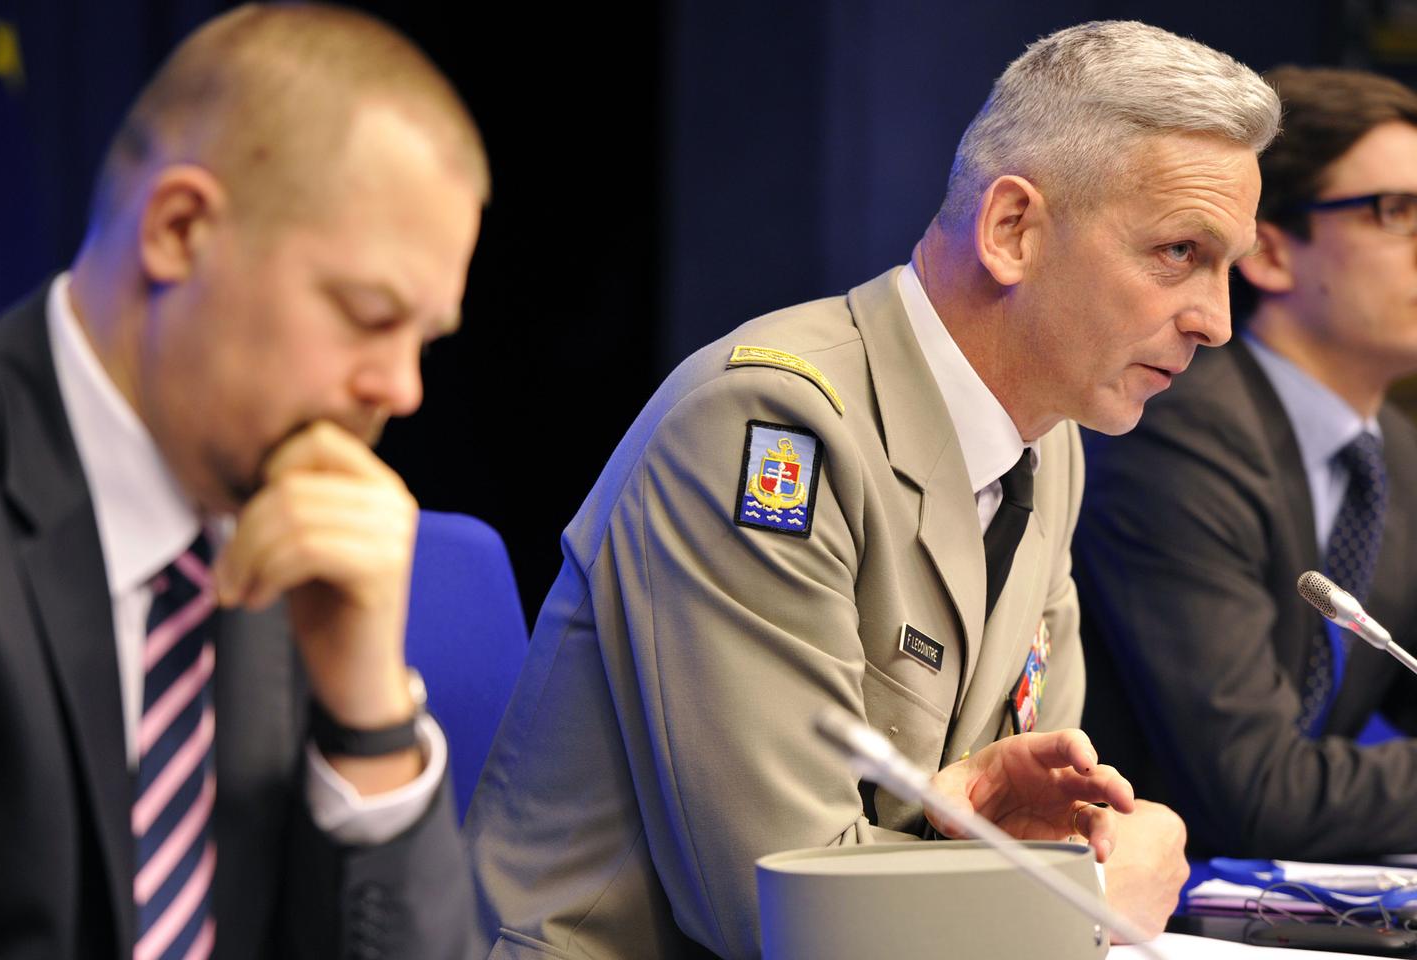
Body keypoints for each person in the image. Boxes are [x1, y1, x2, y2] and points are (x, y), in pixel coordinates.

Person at [465, 20, 1277, 959]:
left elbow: (1022, 823)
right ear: (1012, 229)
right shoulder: (765, 427)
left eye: (1227, 266)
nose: (1215, 320)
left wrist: (1027, 839)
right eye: (1180, 252)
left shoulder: (1051, 446)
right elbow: (776, 904)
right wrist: (1088, 900)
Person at [0, 4, 489, 958]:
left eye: (423, 338)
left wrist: (368, 719)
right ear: (178, 230)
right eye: (367, 313)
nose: (403, 388)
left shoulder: (298, 548)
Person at [1076, 66, 1417, 860]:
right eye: (1397, 212)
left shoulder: (1394, 451)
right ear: (1268, 255)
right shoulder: (1175, 433)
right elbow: (1251, 794)